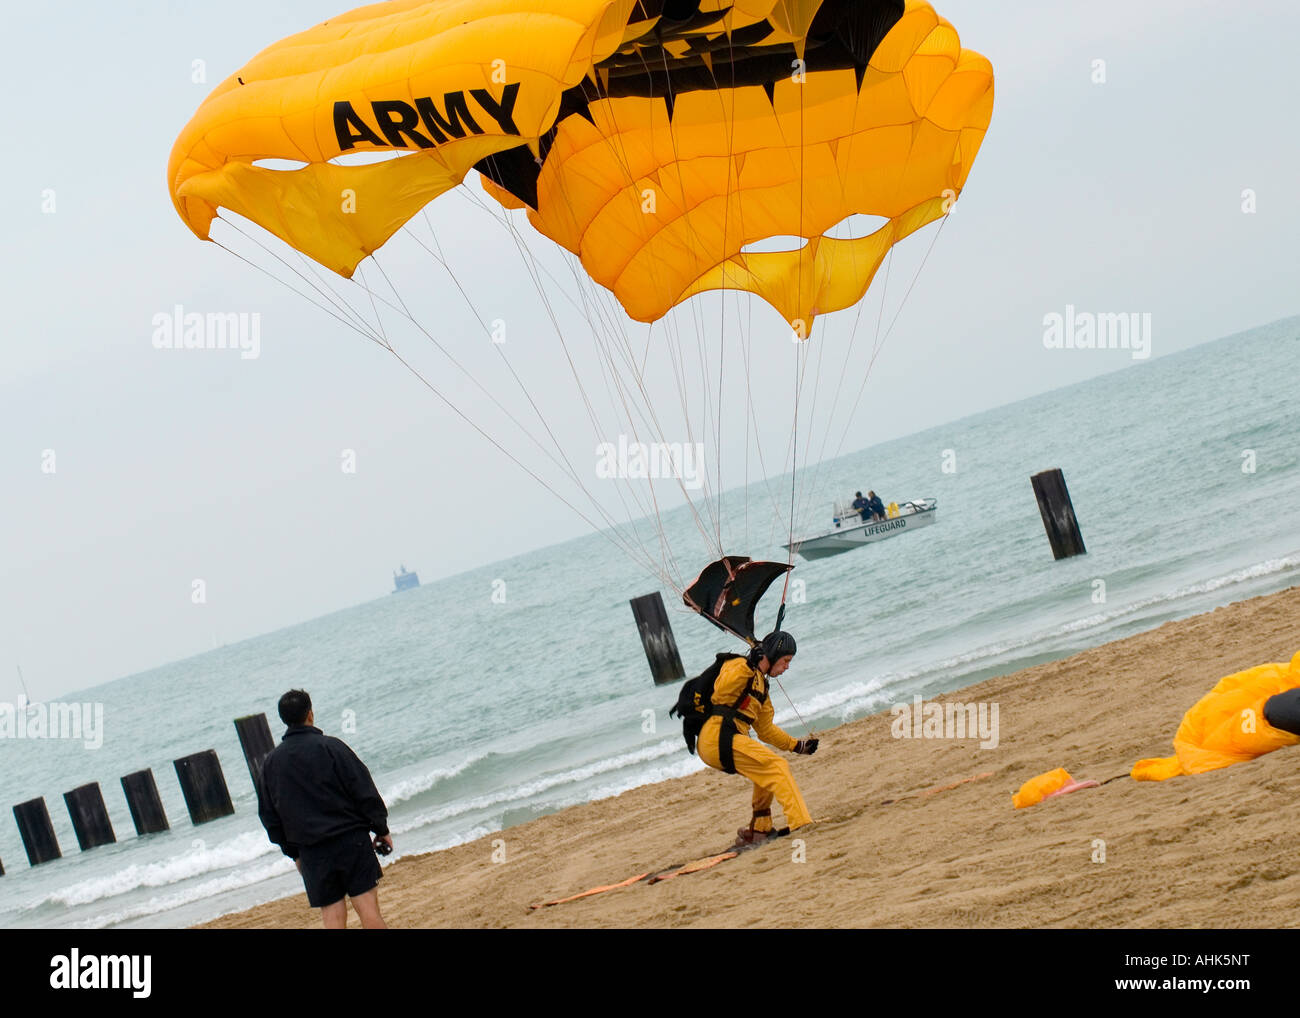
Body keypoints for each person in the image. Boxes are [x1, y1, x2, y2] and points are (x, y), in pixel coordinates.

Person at [256, 689, 392, 928]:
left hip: (312, 851)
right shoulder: (331, 747)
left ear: (284, 720)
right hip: (351, 841)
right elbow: (363, 790)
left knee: (332, 917)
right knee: (368, 910)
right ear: (310, 714)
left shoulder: (271, 764)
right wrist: (380, 828)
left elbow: (269, 815)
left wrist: (293, 853)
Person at [696, 631, 818, 845]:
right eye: (786, 661)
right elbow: (721, 690)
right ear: (773, 655)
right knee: (777, 766)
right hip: (716, 737)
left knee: (765, 769)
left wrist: (798, 746)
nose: (787, 667)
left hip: (731, 739)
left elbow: (766, 730)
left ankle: (760, 829)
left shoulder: (762, 687)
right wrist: (748, 665)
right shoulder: (738, 666)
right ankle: (802, 824)